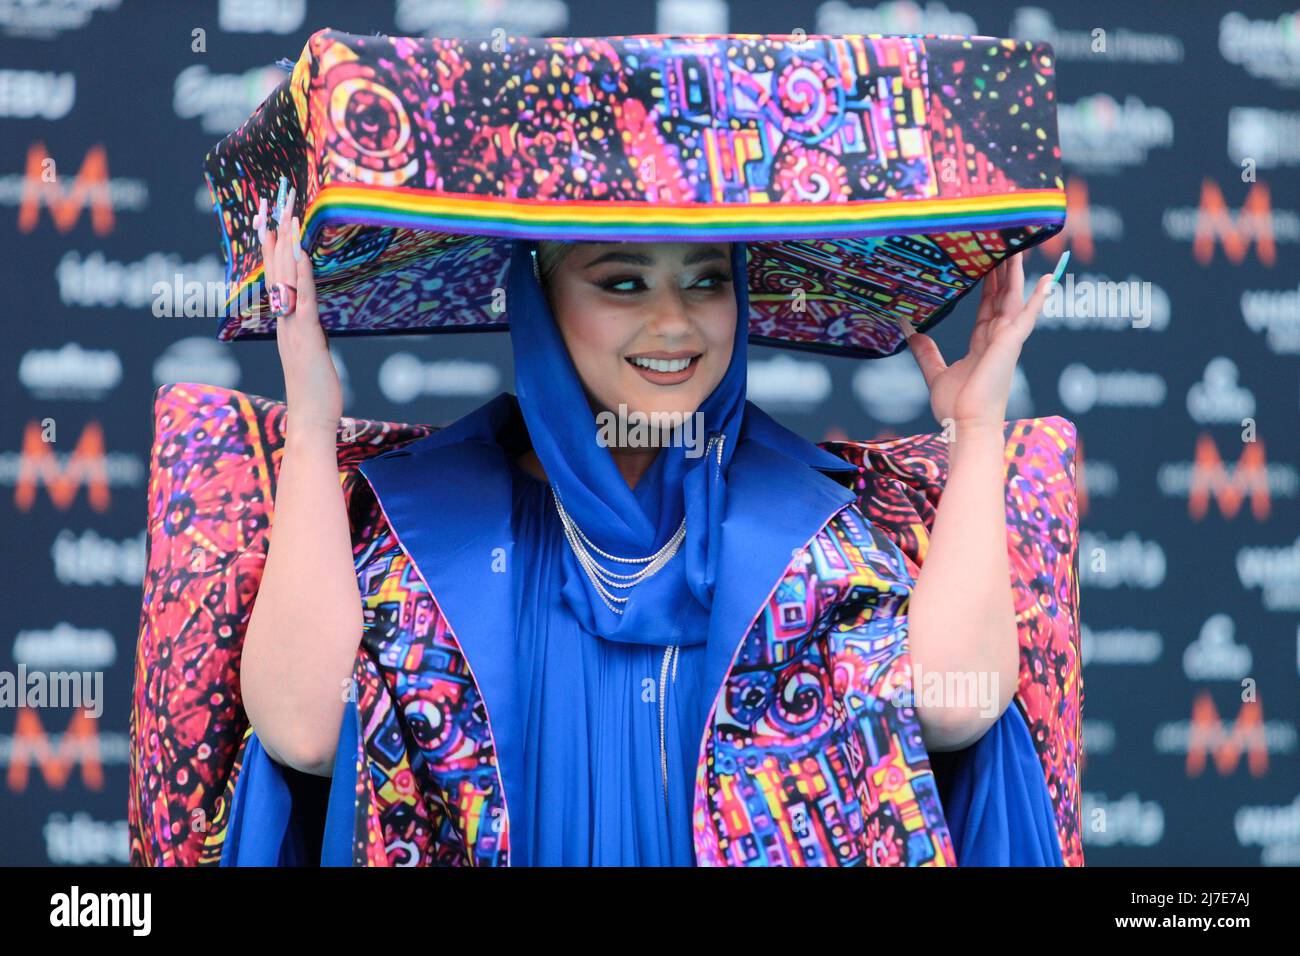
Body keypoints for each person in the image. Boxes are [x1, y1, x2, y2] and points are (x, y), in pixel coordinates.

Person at [224, 178, 1066, 866]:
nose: (674, 322)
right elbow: (304, 732)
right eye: (622, 282)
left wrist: (980, 423)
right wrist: (310, 419)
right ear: (541, 300)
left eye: (706, 279)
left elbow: (957, 708)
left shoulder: (804, 528)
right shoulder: (440, 527)